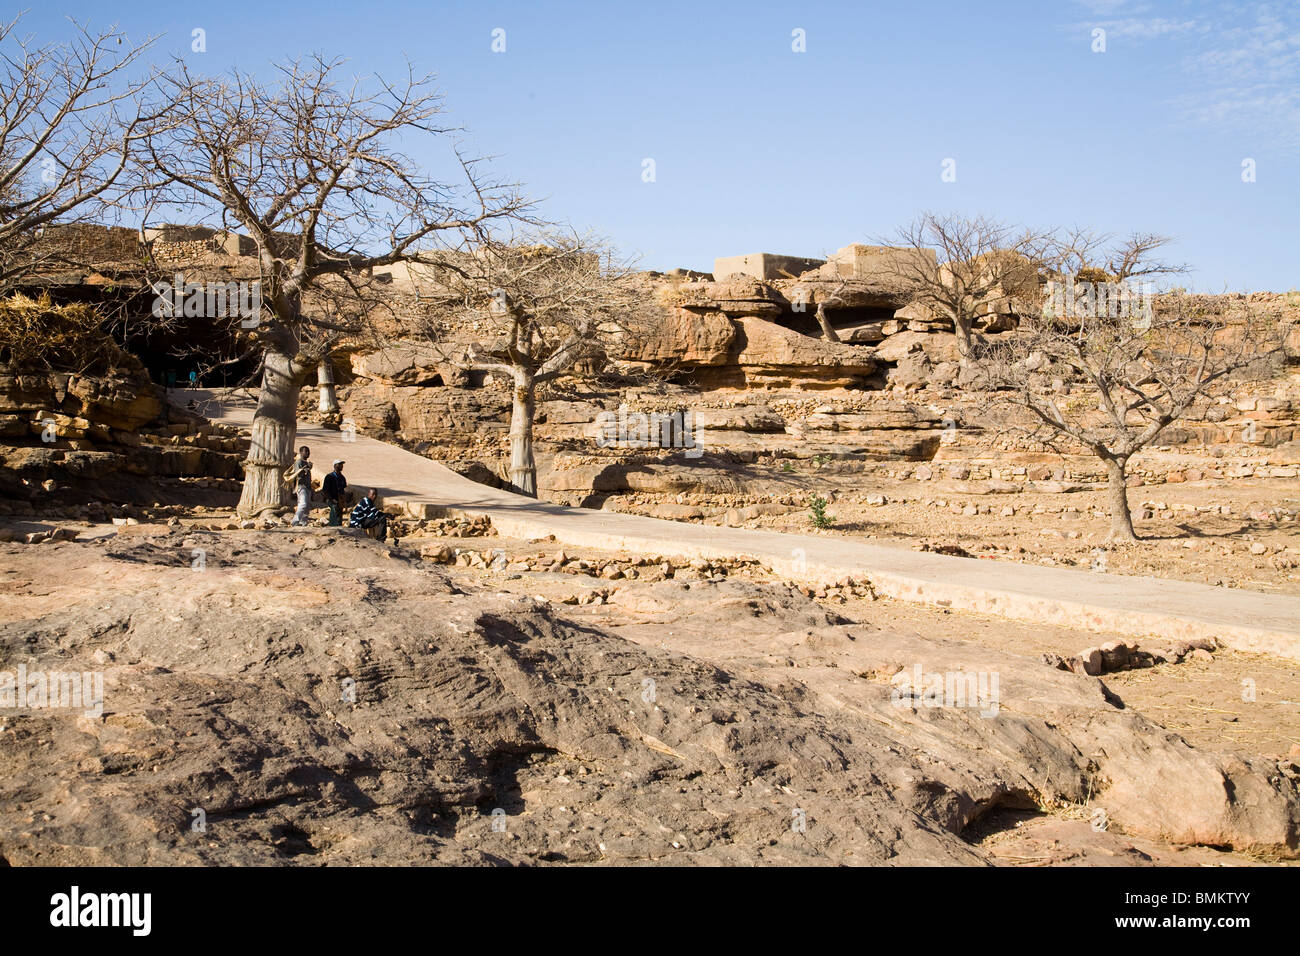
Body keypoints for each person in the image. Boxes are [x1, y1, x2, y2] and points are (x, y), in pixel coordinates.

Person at [282, 446, 313, 526]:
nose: (308, 453)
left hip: (308, 487)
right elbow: (298, 475)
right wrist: (307, 468)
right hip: (301, 486)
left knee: (306, 507)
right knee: (303, 504)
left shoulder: (306, 462)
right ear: (301, 452)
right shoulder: (298, 462)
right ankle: (295, 521)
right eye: (306, 451)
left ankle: (304, 523)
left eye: (308, 451)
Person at [322, 459, 348, 527]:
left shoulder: (342, 478)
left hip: (339, 499)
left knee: (339, 513)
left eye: (342, 465)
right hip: (331, 498)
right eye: (339, 464)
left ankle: (338, 526)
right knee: (334, 508)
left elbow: (343, 489)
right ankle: (332, 526)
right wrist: (331, 499)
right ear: (335, 466)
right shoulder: (329, 477)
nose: (341, 466)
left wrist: (343, 500)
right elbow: (325, 490)